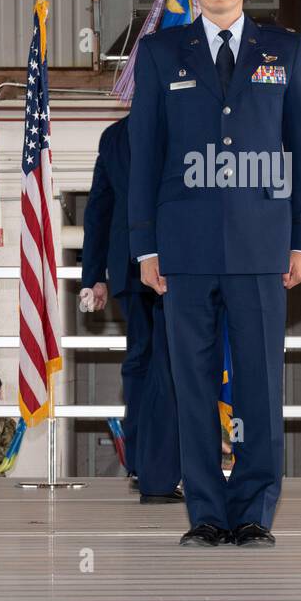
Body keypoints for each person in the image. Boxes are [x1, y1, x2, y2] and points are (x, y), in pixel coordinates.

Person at [128, 0, 301, 547]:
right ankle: (207, 513)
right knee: (193, 383)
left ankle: (254, 512)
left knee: (261, 386)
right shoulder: (160, 54)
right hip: (184, 251)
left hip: (261, 247)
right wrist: (145, 245)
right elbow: (146, 154)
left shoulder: (284, 51)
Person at [81, 118, 182, 503]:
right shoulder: (179, 123)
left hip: (129, 265)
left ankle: (143, 463)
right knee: (170, 364)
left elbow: (98, 209)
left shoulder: (114, 135)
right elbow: (100, 207)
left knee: (141, 360)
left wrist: (95, 275)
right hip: (175, 263)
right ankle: (163, 466)